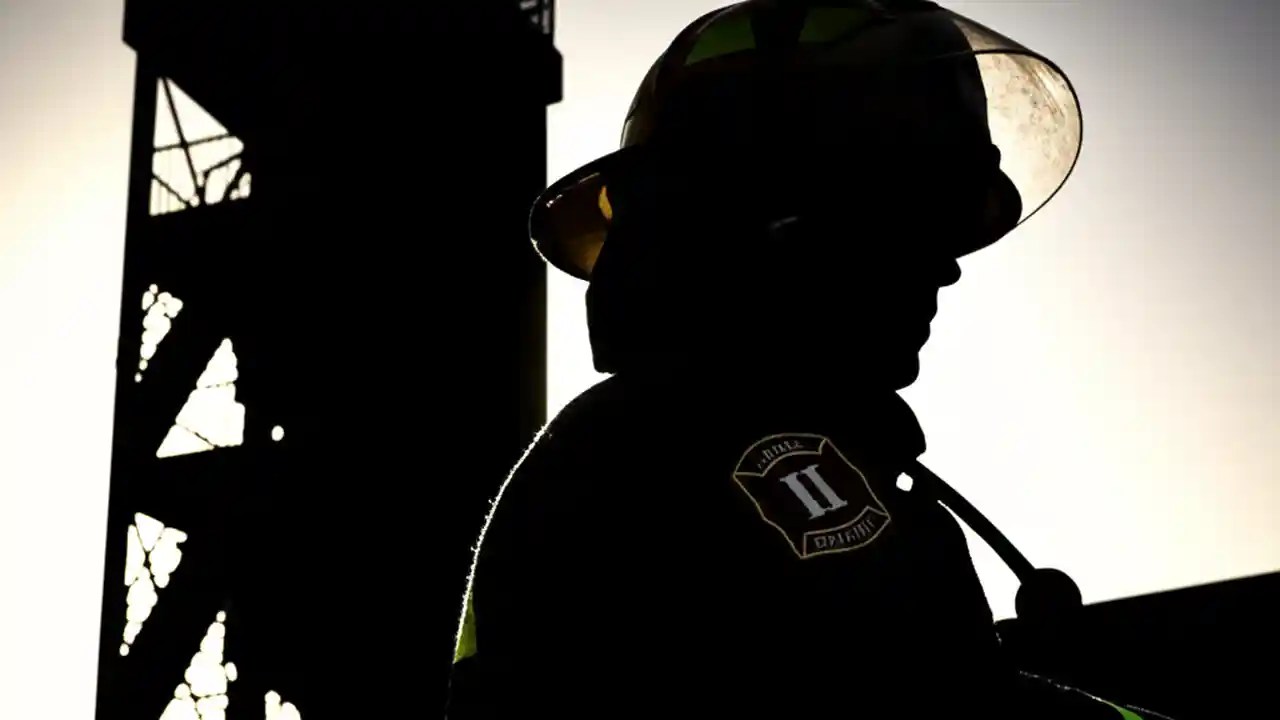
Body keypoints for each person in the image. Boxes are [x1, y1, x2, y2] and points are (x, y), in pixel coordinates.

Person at [448, 1, 1168, 717]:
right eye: (912, 214)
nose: (946, 265)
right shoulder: (730, 453)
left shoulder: (652, 438)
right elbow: (938, 718)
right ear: (784, 217)